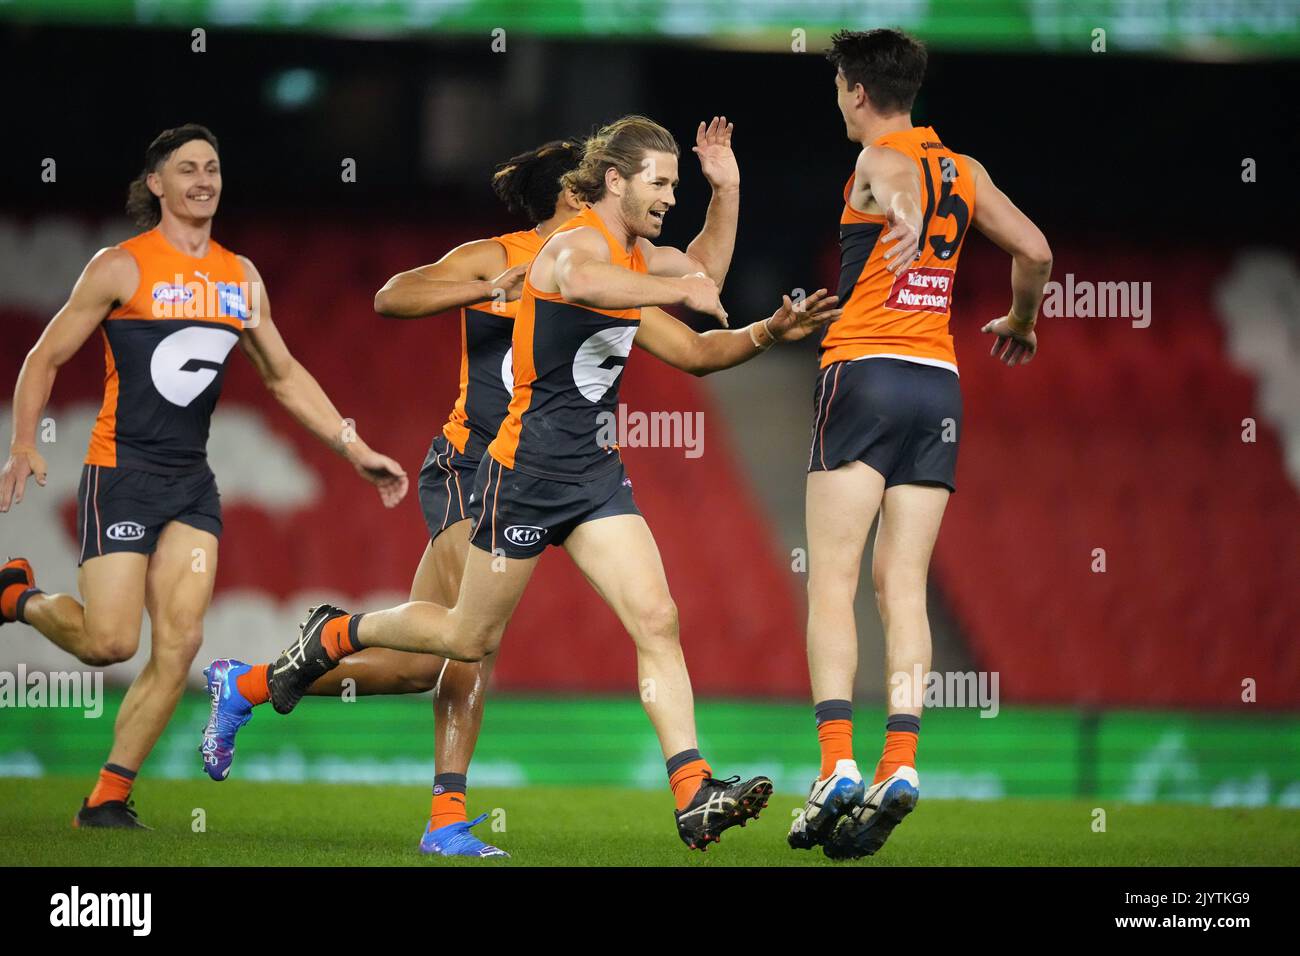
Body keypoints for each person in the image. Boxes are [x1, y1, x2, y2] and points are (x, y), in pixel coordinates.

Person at [235, 115, 841, 851]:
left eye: (675, 186)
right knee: (465, 636)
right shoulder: (569, 249)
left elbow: (699, 343)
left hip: (593, 475)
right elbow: (599, 283)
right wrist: (677, 286)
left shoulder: (636, 259)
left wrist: (761, 312)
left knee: (657, 618)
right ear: (614, 181)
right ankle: (332, 633)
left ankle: (691, 789)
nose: (669, 197)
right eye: (660, 183)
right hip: (522, 473)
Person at [0, 124, 407, 829]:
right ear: (155, 183)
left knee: (182, 643)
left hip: (191, 483)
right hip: (120, 475)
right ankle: (17, 597)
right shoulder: (120, 267)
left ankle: (108, 797)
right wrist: (25, 442)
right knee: (110, 643)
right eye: (186, 168)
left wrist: (353, 445)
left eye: (213, 168)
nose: (203, 179)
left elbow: (282, 375)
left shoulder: (238, 277)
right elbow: (44, 354)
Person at [200, 139, 586, 859]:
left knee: (421, 665)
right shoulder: (496, 255)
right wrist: (490, 287)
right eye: (600, 182)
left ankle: (249, 682)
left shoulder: (598, 267)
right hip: (471, 464)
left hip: (533, 475)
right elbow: (392, 296)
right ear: (571, 195)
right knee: (477, 641)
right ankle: (446, 822)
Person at [788, 29, 1053, 859]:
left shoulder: (877, 160)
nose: (838, 98)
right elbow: (1036, 251)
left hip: (864, 373)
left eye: (838, 85)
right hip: (937, 385)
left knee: (831, 579)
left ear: (860, 92)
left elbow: (891, 190)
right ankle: (901, 762)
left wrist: (900, 217)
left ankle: (837, 764)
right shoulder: (964, 169)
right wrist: (1020, 319)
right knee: (901, 584)